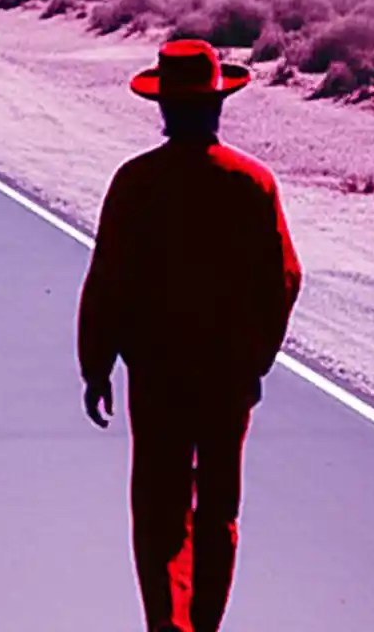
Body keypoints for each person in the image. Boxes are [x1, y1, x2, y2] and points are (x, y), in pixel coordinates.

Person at [77, 38, 302, 632]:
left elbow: (107, 280)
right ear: (217, 106)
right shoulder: (252, 182)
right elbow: (284, 278)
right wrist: (256, 359)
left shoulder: (135, 182)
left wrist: (96, 364)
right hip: (226, 379)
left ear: (165, 110)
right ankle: (205, 624)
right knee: (219, 510)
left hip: (156, 376)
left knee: (159, 509)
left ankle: (168, 626)